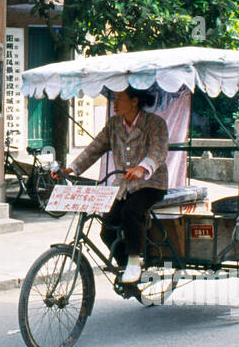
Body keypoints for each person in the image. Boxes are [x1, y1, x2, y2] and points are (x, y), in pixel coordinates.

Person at [63, 88, 168, 284]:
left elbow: (158, 151)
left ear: (134, 101)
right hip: (123, 185)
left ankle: (134, 262)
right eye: (114, 99)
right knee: (107, 229)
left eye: (120, 98)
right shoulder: (114, 124)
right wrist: (72, 168)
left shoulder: (155, 123)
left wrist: (142, 167)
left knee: (131, 211)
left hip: (151, 183)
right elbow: (95, 148)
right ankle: (125, 265)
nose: (115, 103)